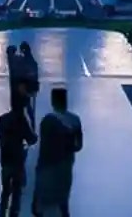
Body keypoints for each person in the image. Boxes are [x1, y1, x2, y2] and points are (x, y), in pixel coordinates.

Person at [33, 86, 82, 217]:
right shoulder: (75, 120)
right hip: (65, 166)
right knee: (63, 201)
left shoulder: (47, 121)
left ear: (52, 102)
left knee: (43, 205)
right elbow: (78, 146)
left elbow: (44, 148)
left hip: (48, 167)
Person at [0, 82, 38, 217]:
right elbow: (32, 139)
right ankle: (13, 214)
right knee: (16, 192)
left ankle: (1, 213)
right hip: (17, 160)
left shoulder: (2, 120)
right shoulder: (21, 121)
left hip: (5, 159)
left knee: (5, 191)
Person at [18, 42, 39, 126]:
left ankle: (28, 122)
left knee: (26, 104)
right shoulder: (31, 60)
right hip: (31, 86)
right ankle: (31, 121)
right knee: (27, 106)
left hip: (28, 86)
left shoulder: (26, 61)